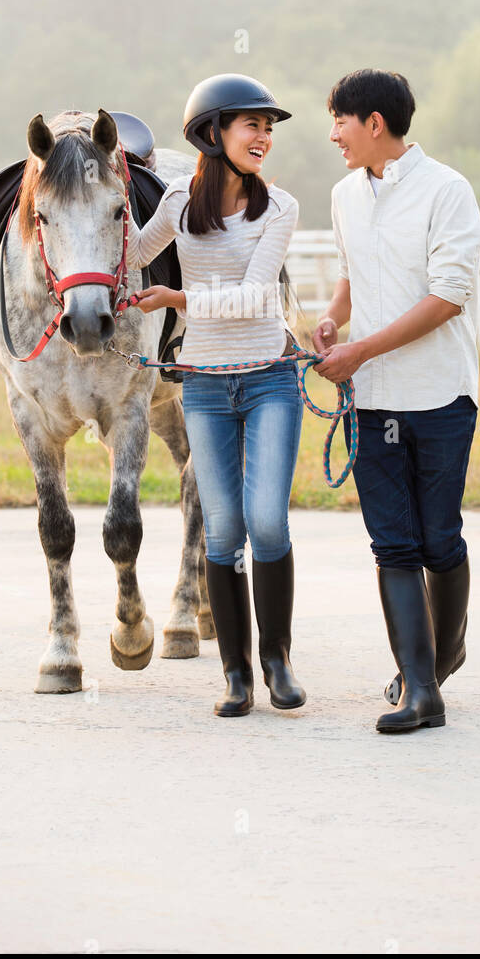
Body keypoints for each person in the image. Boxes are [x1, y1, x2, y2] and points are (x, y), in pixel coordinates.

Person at [124, 74, 306, 718]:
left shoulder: (278, 208)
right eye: (252, 124)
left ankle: (277, 660)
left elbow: (258, 298)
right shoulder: (178, 202)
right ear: (213, 132)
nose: (264, 136)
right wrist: (106, 197)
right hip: (203, 386)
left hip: (269, 380)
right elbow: (137, 256)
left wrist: (178, 300)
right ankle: (236, 675)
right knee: (223, 531)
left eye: (269, 127)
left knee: (266, 520)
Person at [314, 69, 480, 734]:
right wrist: (335, 321)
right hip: (372, 402)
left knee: (439, 539)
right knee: (392, 546)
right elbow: (352, 274)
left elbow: (448, 298)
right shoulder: (343, 196)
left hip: (440, 395)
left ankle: (442, 656)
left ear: (375, 123)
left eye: (340, 122)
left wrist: (360, 351)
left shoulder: (448, 192)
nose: (334, 135)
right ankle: (421, 690)